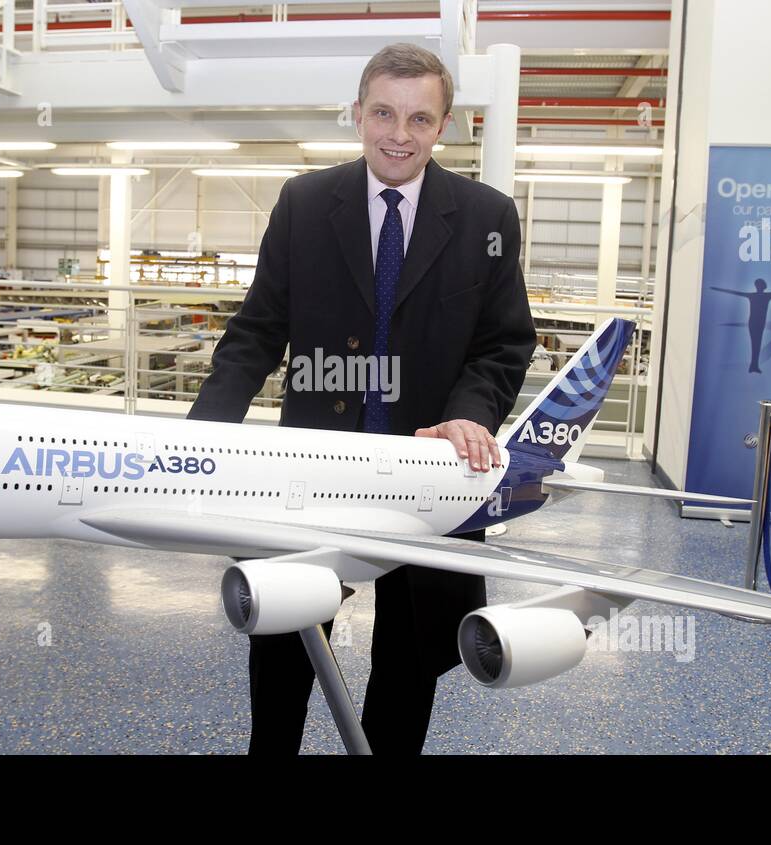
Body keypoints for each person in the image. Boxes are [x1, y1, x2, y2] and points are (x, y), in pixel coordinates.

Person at [186, 43, 537, 754]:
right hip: (316, 474)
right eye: (383, 112)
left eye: (419, 117)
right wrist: (197, 442)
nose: (398, 134)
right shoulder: (306, 204)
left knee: (408, 665)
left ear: (444, 126)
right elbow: (257, 332)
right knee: (285, 648)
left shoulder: (486, 218)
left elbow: (504, 343)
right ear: (356, 113)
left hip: (428, 477)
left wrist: (470, 414)